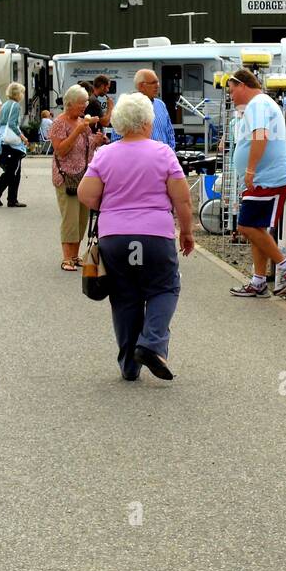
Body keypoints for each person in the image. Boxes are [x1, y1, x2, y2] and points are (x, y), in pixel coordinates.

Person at [77, 93, 196, 381]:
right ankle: (152, 345)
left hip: (115, 236)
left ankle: (130, 365)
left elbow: (86, 194)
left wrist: (113, 203)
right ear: (147, 122)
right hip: (154, 235)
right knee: (164, 288)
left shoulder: (105, 154)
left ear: (119, 123)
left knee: (125, 297)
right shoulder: (163, 153)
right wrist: (188, 232)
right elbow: (182, 199)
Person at [227, 68, 286, 297]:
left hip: (267, 178)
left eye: (232, 91)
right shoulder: (260, 104)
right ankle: (258, 281)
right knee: (257, 227)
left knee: (246, 226)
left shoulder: (258, 104)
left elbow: (261, 135)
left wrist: (249, 170)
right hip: (265, 177)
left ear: (242, 85)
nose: (231, 97)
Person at [50, 85, 106, 270]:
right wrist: (77, 130)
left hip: (83, 175)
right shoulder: (60, 123)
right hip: (66, 177)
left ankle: (74, 255)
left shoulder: (82, 122)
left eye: (86, 103)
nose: (85, 107)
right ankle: (67, 257)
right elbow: (61, 149)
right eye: (82, 103)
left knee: (82, 218)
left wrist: (97, 141)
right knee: (70, 218)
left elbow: (86, 146)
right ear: (70, 103)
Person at [0, 82, 29, 208]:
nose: (23, 95)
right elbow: (12, 124)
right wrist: (23, 137)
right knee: (13, 172)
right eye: (22, 92)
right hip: (12, 144)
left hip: (3, 141)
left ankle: (11, 198)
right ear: (18, 94)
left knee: (12, 171)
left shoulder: (5, 105)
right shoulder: (15, 106)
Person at [134, 69, 175, 149]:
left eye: (157, 82)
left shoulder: (161, 105)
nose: (157, 85)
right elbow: (118, 138)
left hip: (163, 158)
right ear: (141, 86)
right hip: (142, 159)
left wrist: (171, 152)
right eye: (153, 83)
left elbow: (170, 132)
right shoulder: (129, 107)